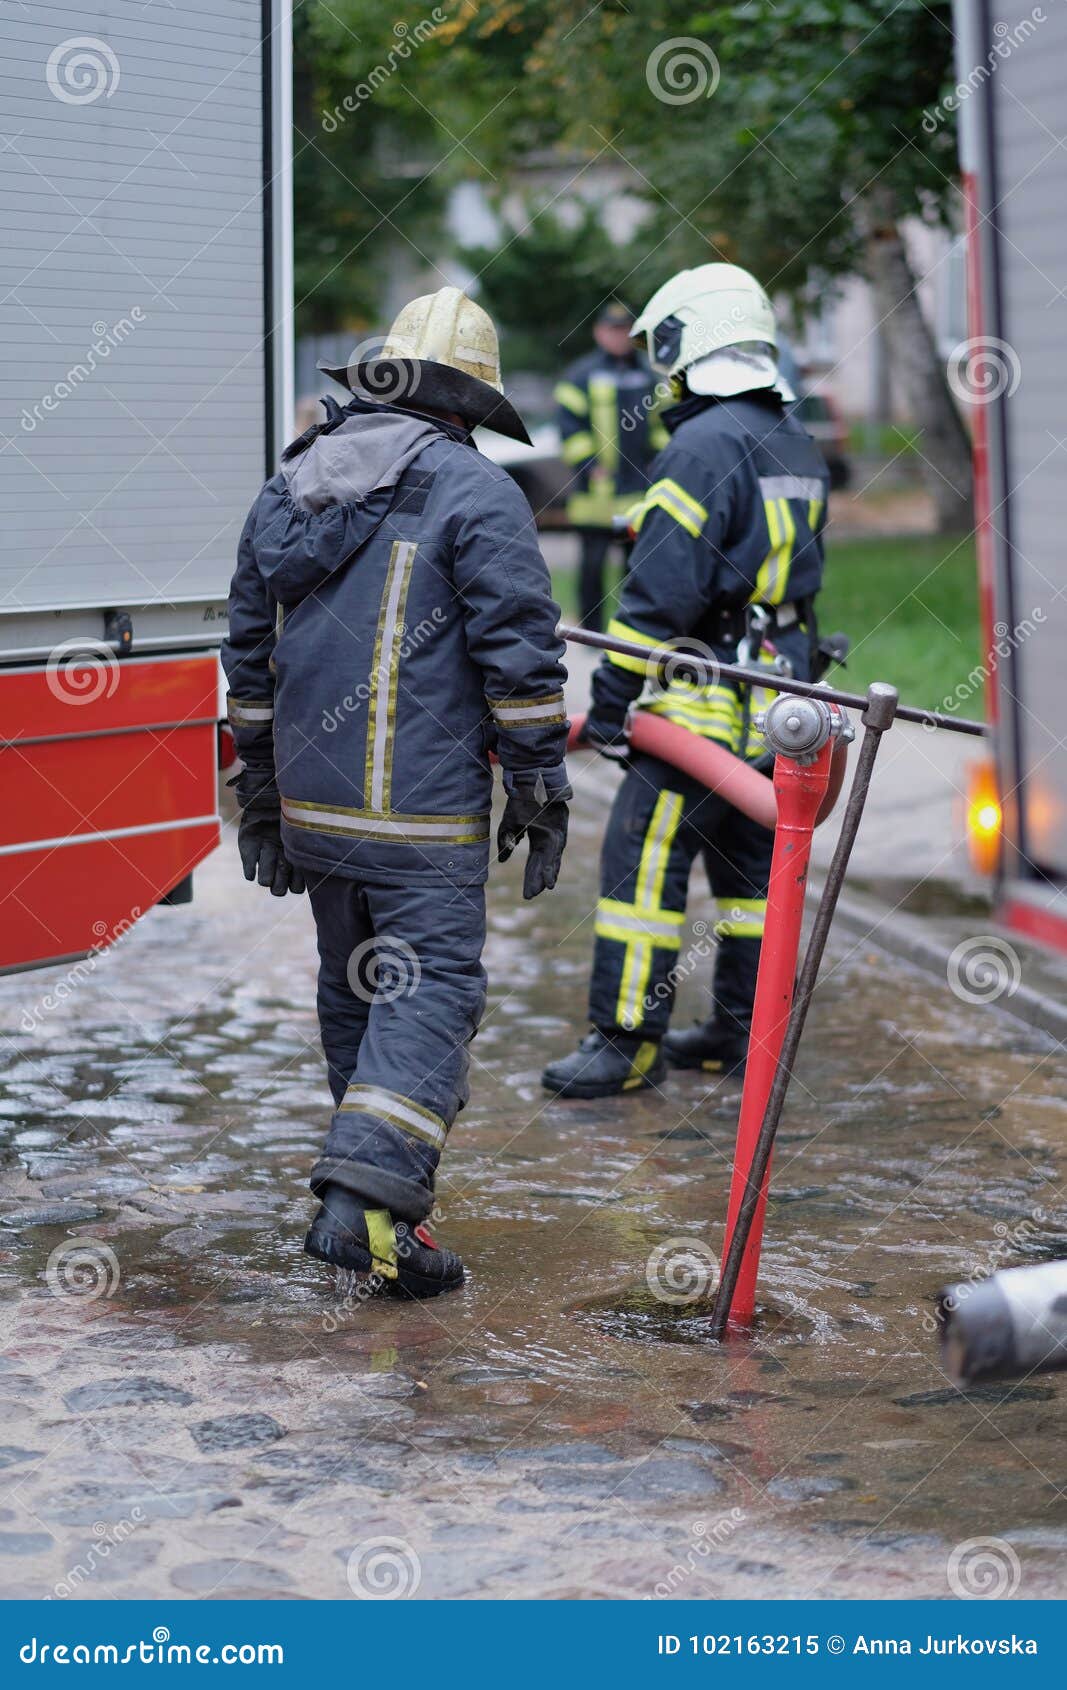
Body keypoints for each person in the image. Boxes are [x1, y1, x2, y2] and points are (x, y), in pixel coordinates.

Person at [222, 287, 571, 1296]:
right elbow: (518, 655)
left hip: (316, 817)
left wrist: (260, 797)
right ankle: (357, 1205)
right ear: (463, 403)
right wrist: (540, 787)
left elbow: (246, 659)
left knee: (361, 996)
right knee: (428, 996)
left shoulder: (285, 487)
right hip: (421, 820)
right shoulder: (475, 491)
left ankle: (381, 1227)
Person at [542, 263, 829, 1100]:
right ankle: (744, 1032)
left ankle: (626, 1040)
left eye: (663, 345)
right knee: (747, 873)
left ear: (689, 340)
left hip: (694, 708)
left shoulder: (699, 446)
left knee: (642, 870)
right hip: (776, 706)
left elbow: (657, 599)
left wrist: (608, 702)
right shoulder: (794, 438)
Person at [555, 302, 667, 631]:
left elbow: (662, 424)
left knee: (632, 565)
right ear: (599, 333)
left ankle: (630, 628)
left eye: (624, 331)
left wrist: (659, 460)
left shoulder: (647, 375)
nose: (618, 337)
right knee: (592, 566)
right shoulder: (580, 375)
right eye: (612, 330)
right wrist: (589, 465)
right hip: (595, 498)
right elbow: (569, 427)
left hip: (634, 498)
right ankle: (592, 631)